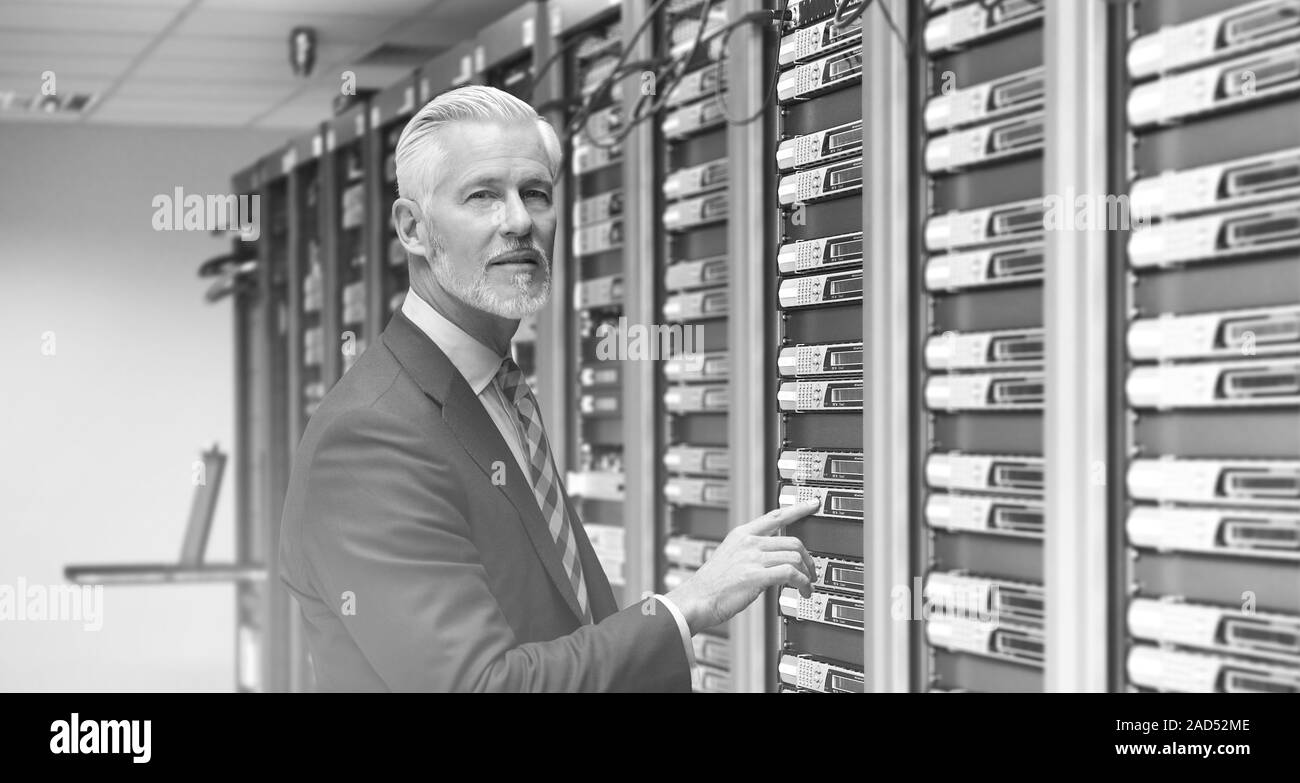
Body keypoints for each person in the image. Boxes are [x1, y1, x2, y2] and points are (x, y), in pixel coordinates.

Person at [278, 85, 821, 692]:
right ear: (412, 229)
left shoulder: (494, 390)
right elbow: (484, 685)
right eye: (481, 195)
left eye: (534, 193)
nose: (517, 221)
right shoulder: (370, 436)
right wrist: (689, 604)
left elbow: (561, 617)